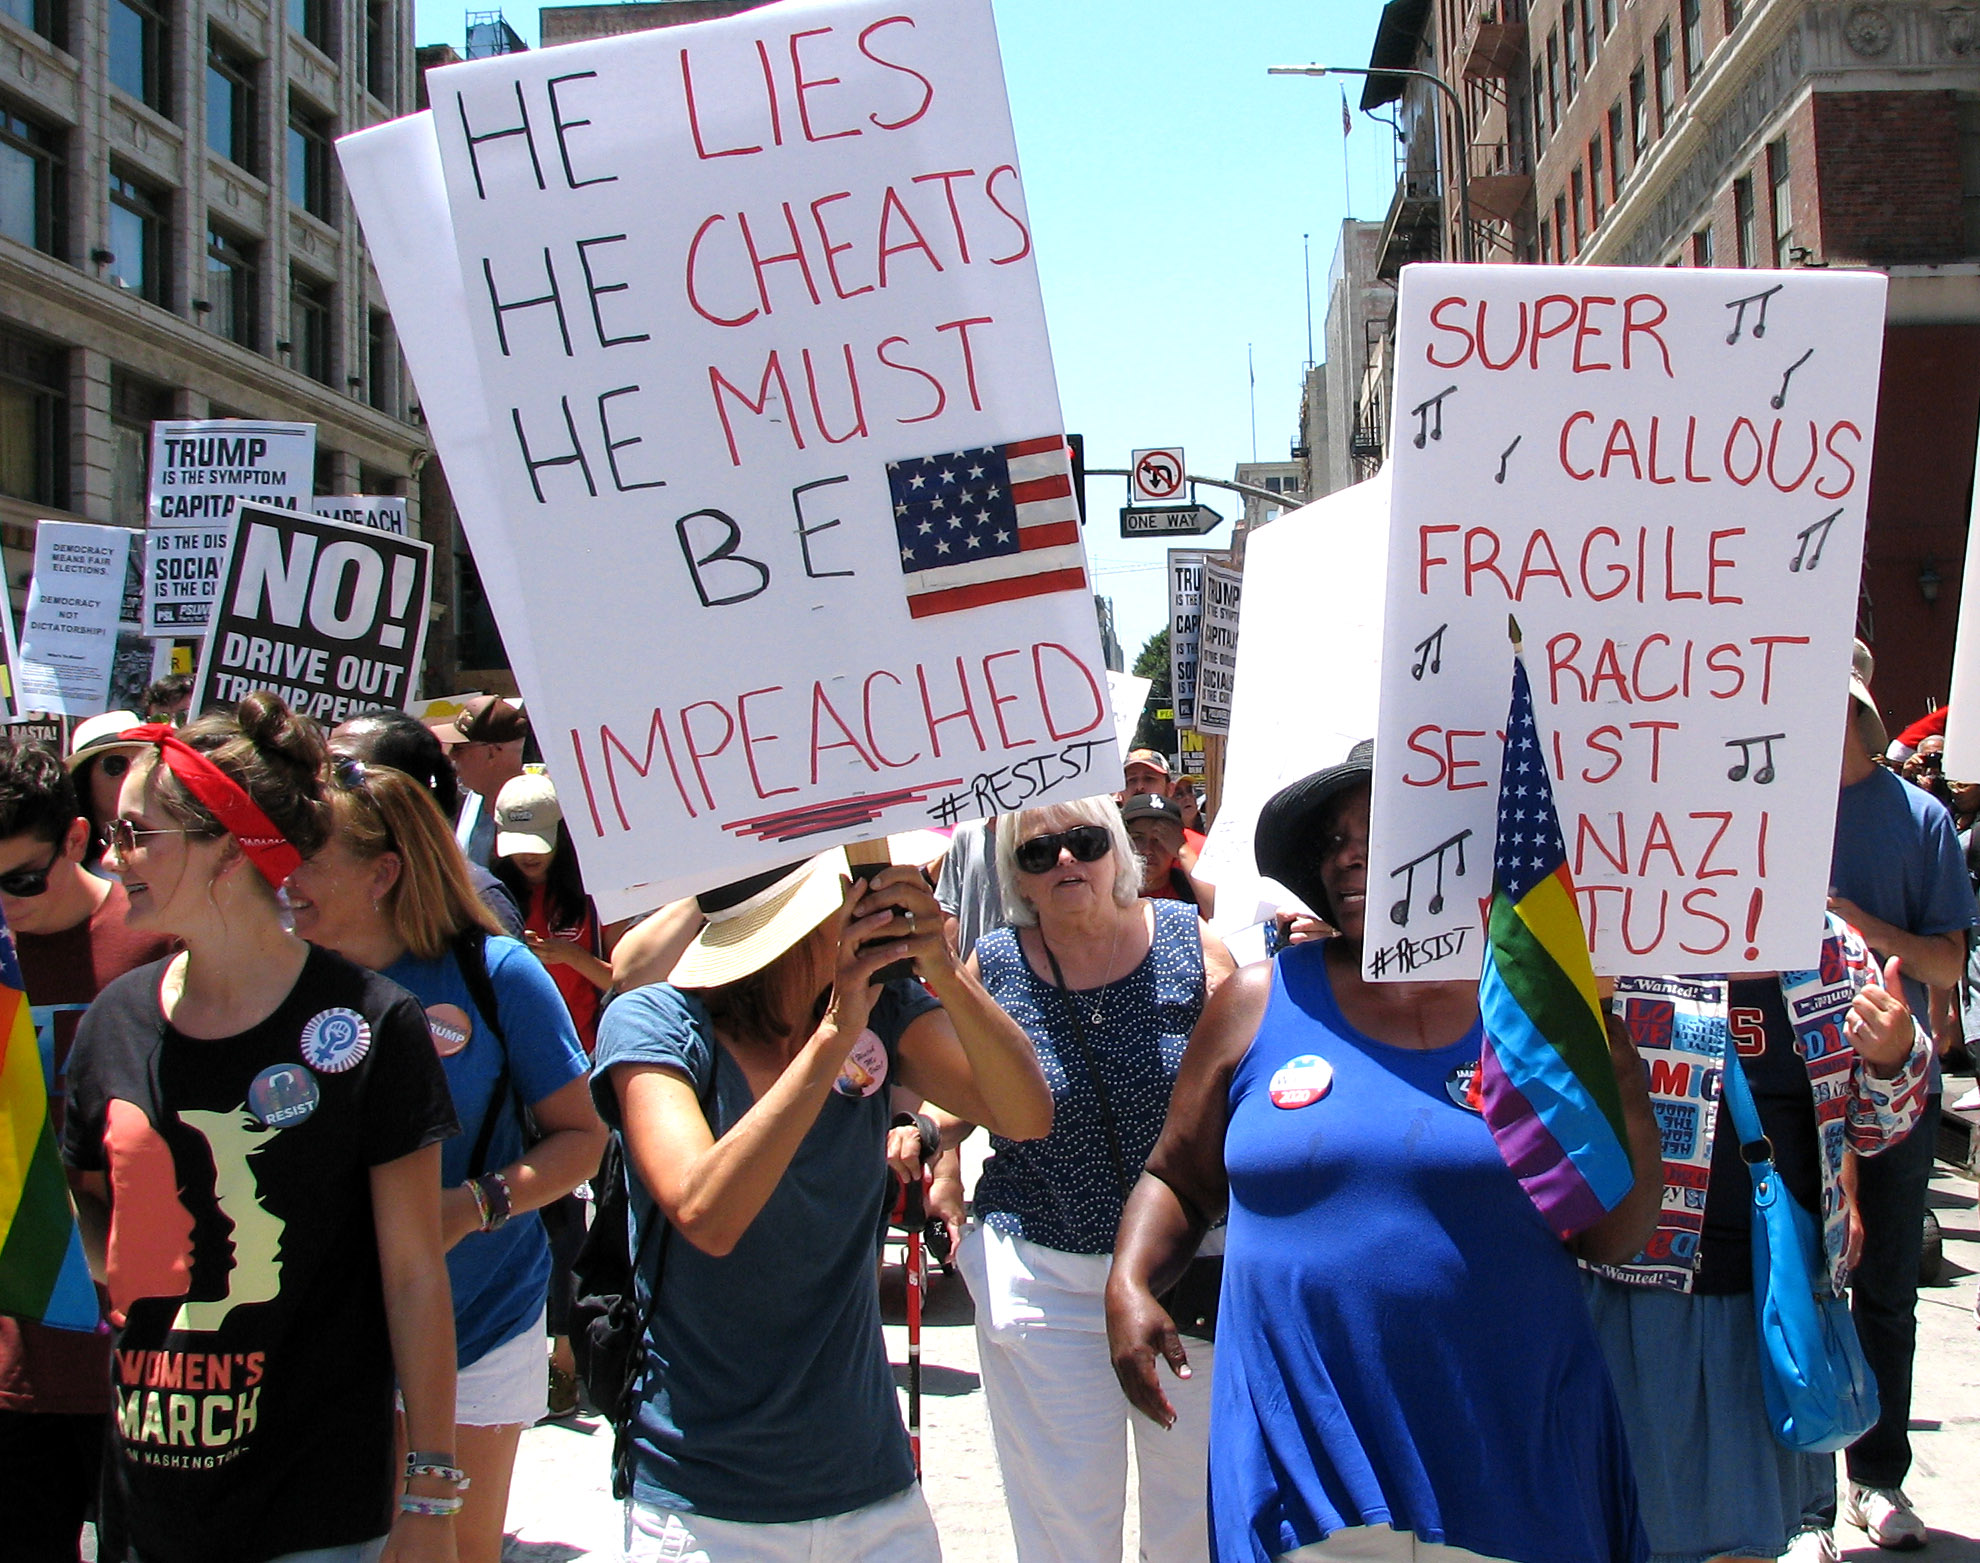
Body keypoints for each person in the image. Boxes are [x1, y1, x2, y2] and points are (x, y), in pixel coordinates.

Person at [1108, 744, 1659, 1563]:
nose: (1348, 854)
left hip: (1510, 1452)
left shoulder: (1537, 1011)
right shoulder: (1259, 1000)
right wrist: (1128, 1282)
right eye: (1333, 839)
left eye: (1383, 828)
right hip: (1308, 1474)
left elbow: (1613, 1236)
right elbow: (1178, 1177)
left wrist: (1619, 1078)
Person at [59, 695, 463, 1563]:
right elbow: (87, 1208)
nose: (112, 853)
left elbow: (413, 1274)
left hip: (315, 1514)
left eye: (137, 833)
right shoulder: (112, 1021)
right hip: (148, 1506)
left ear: (226, 846)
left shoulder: (372, 1023)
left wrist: (431, 1489)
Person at [593, 847, 1052, 1561]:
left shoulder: (883, 1009)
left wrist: (943, 968)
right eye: (853, 893)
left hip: (869, 1486)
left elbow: (1025, 1112)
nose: (873, 907)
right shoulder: (655, 1023)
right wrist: (836, 1033)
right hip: (706, 1502)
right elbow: (707, 1213)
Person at [286, 754, 608, 1563]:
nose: (285, 875)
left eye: (310, 855)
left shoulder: (493, 973)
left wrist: (473, 1206)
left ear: (382, 872)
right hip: (319, 1332)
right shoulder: (281, 978)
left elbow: (583, 1137)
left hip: (479, 1319)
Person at [933, 795, 1235, 1563]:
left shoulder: (1190, 941)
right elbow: (959, 1088)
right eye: (1039, 852)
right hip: (1045, 1273)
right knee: (1064, 1527)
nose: (1065, 860)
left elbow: (1250, 1076)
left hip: (1184, 1274)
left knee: (1194, 1520)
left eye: (1085, 841)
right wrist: (934, 1145)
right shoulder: (993, 964)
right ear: (1017, 877)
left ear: (1119, 851)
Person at [1584, 920, 1931, 1563]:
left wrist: (1895, 1055)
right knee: (1632, 1527)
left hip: (1777, 1303)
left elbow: (1872, 1128)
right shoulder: (1629, 924)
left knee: (1751, 1538)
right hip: (1639, 1290)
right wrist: (1590, 1001)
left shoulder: (1834, 951)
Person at [0, 740, 173, 1563]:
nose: (5, 904)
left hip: (143, 1349)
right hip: (17, 1356)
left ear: (76, 838)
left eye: (20, 879)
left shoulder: (155, 945)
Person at [1822, 644, 1975, 1550]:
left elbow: (1948, 963)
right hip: (1794, 1086)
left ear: (1858, 712)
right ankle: (1805, 1484)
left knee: (1884, 1289)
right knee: (1800, 1277)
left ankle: (1878, 1479)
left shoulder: (1921, 818)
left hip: (1899, 1089)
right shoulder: (1768, 805)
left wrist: (1860, 924)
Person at [331, 709, 522, 935]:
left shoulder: (475, 904)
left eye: (341, 768)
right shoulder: (311, 883)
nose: (319, 779)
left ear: (397, 787)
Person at [436, 696, 527, 872]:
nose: (452, 755)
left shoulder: (533, 808)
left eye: (459, 748)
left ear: (491, 753)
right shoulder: (470, 798)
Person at [63, 709, 142, 866]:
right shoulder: (61, 861)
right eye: (115, 766)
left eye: (142, 763)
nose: (131, 775)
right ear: (85, 779)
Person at [1123, 792, 1215, 916]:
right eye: (1137, 838)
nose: (1148, 849)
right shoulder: (1109, 889)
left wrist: (1183, 850)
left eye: (1160, 839)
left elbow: (1219, 916)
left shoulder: (1191, 890)